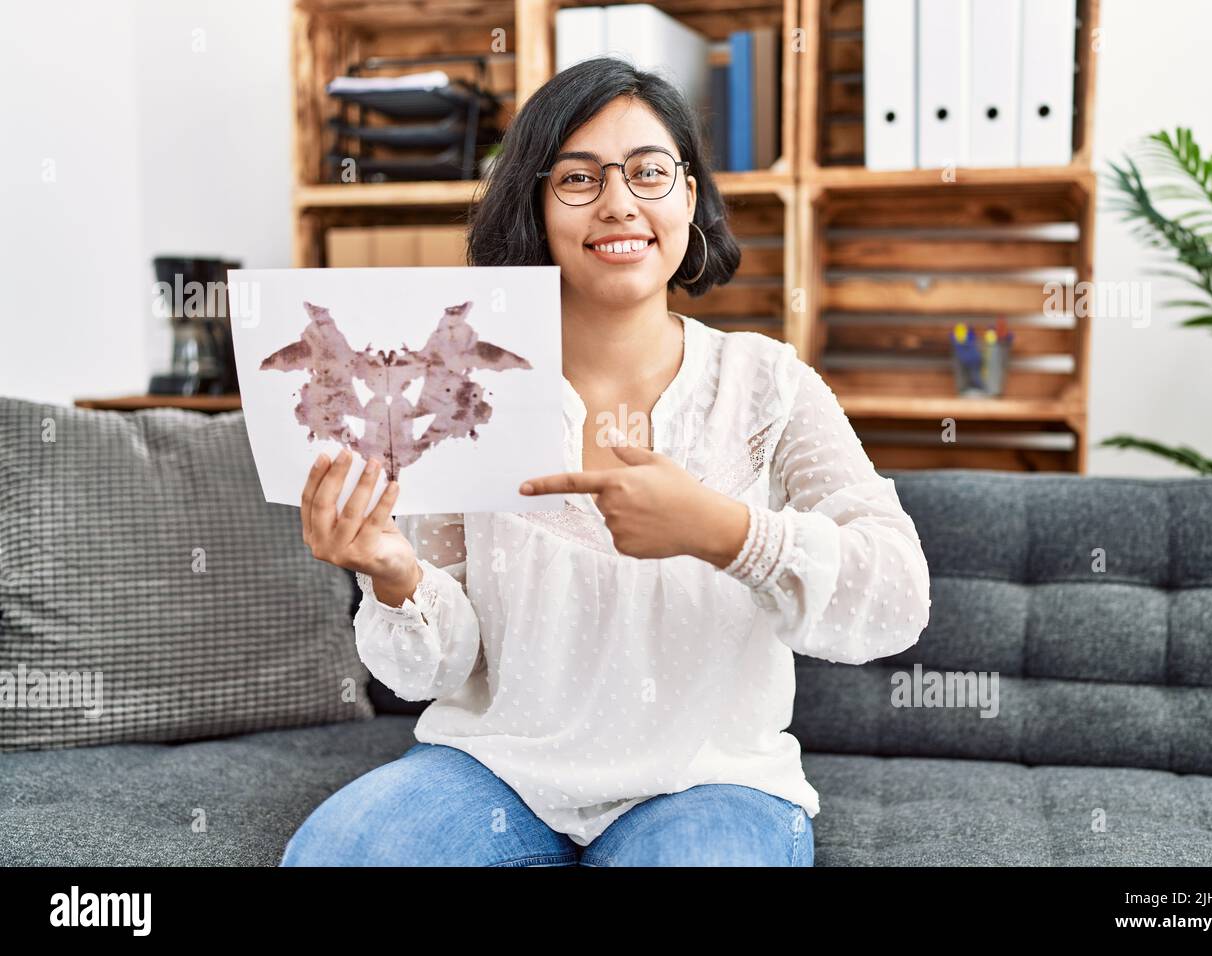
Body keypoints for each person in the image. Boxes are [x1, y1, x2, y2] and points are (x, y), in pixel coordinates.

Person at [280, 56, 931, 867]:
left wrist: (723, 531)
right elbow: (438, 669)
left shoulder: (768, 385)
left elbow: (899, 597)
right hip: (498, 770)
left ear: (689, 198)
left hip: (710, 783)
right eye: (579, 179)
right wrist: (394, 575)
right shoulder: (463, 386)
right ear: (537, 208)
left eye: (649, 173)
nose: (620, 202)